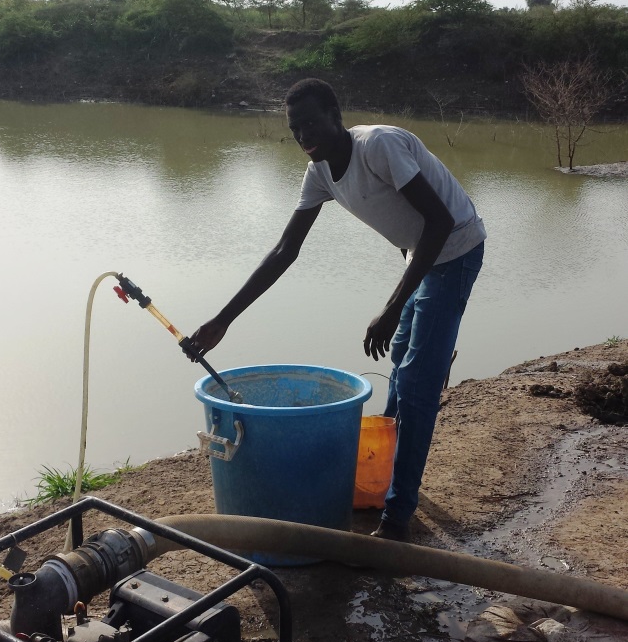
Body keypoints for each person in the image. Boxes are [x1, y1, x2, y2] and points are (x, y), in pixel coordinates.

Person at [189, 78, 486, 541]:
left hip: (455, 249)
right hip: (419, 254)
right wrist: (223, 320)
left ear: (335, 115)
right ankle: (384, 477)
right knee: (402, 361)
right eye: (295, 129)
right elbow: (286, 249)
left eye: (311, 123)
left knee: (417, 383)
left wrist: (391, 308)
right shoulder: (320, 173)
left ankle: (396, 517)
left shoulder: (379, 146)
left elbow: (441, 221)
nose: (304, 136)